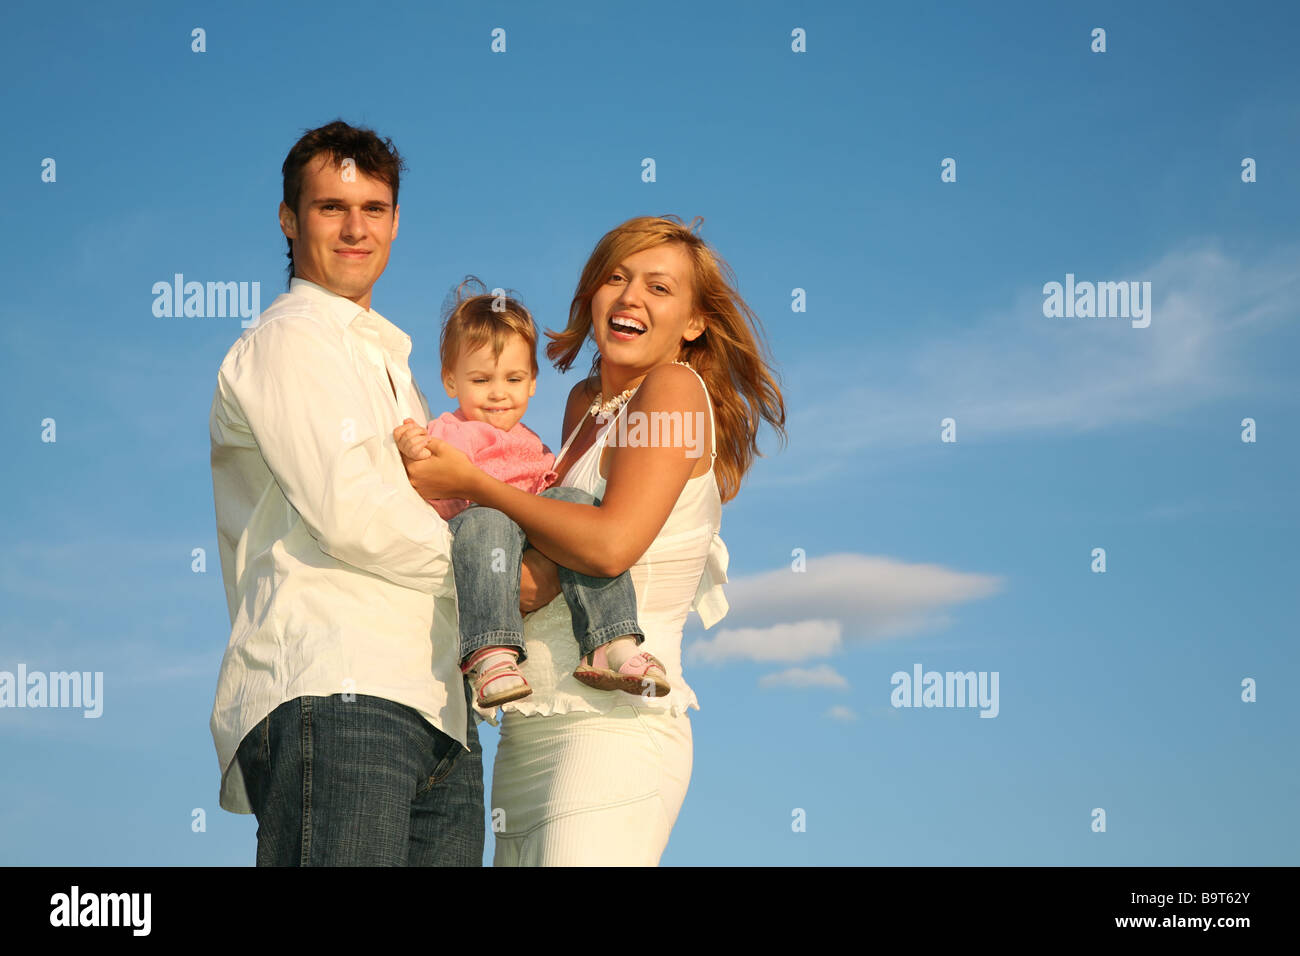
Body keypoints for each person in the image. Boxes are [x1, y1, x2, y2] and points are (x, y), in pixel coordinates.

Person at [397, 214, 786, 865]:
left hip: (614, 728)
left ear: (694, 322)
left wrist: (476, 486)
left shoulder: (672, 390)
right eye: (616, 277)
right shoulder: (582, 406)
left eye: (659, 288)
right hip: (529, 733)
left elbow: (609, 546)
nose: (632, 297)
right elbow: (542, 551)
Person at [208, 119, 486, 866]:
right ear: (289, 220)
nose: (355, 228)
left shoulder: (390, 358)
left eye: (374, 209)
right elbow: (351, 511)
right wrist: (499, 582)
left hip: (435, 704)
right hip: (338, 685)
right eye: (331, 207)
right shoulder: (292, 337)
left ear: (396, 220)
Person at [403, 277, 667, 709]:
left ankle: (612, 640)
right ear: (451, 381)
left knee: (577, 507)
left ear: (532, 383)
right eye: (481, 379)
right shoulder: (450, 431)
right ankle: (491, 653)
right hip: (483, 539)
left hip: (532, 539)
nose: (499, 393)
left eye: (513, 378)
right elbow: (427, 476)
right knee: (487, 519)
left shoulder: (531, 440)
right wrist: (412, 446)